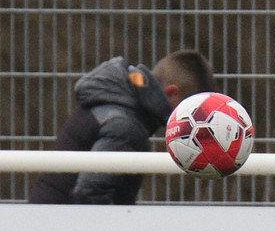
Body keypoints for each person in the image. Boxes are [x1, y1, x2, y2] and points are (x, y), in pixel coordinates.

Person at [29, 50, 215, 204]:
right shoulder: (126, 126)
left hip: (48, 223)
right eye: (191, 112)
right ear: (172, 92)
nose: (190, 122)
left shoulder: (115, 103)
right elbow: (90, 194)